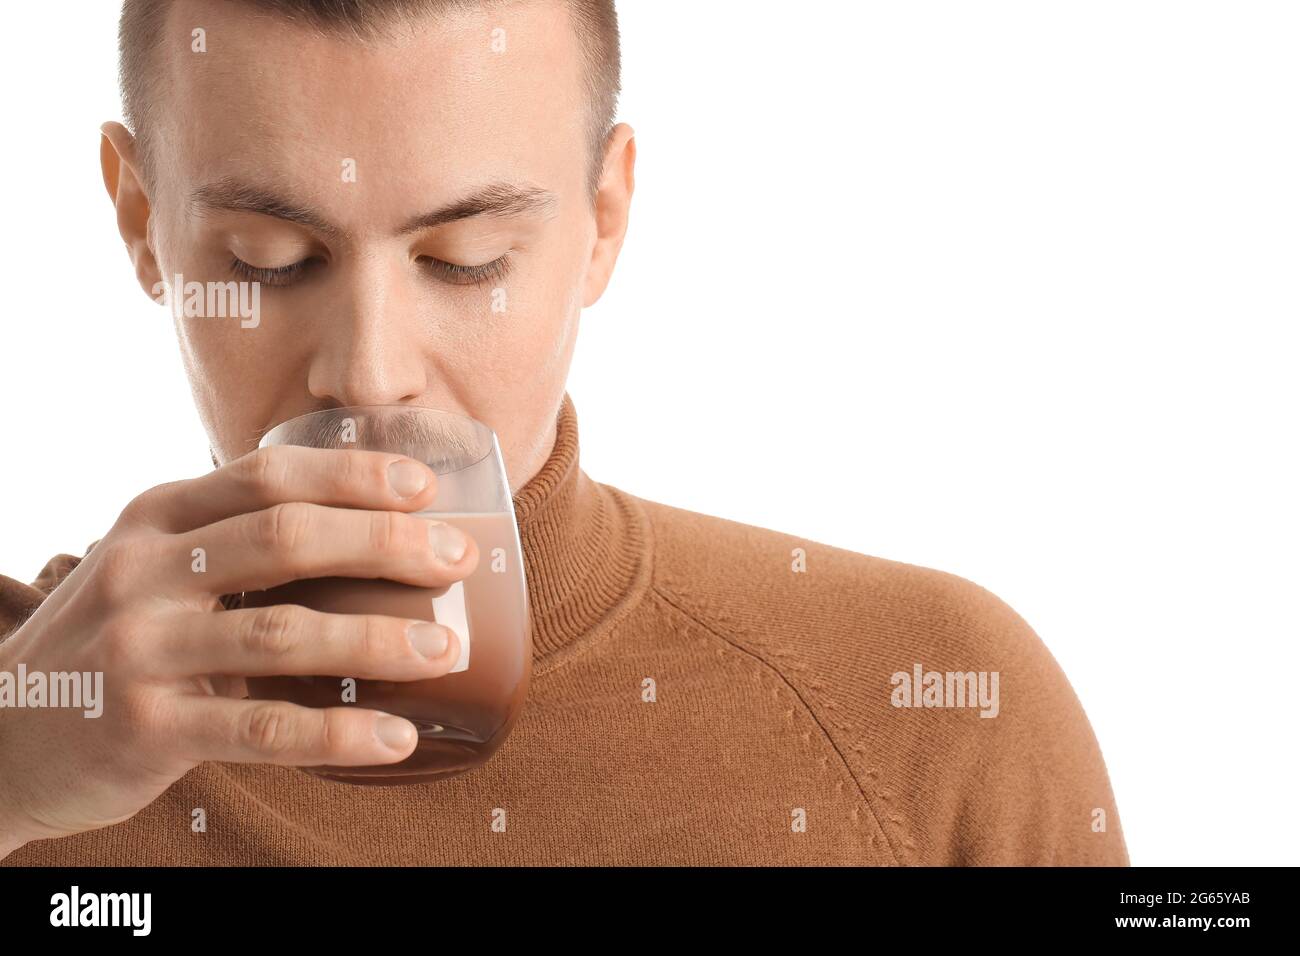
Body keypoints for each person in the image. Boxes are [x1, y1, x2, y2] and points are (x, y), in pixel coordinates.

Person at [0, 0, 1128, 865]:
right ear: (142, 223)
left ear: (604, 220)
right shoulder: (26, 722)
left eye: (466, 258)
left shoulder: (930, 701)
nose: (370, 369)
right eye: (270, 260)